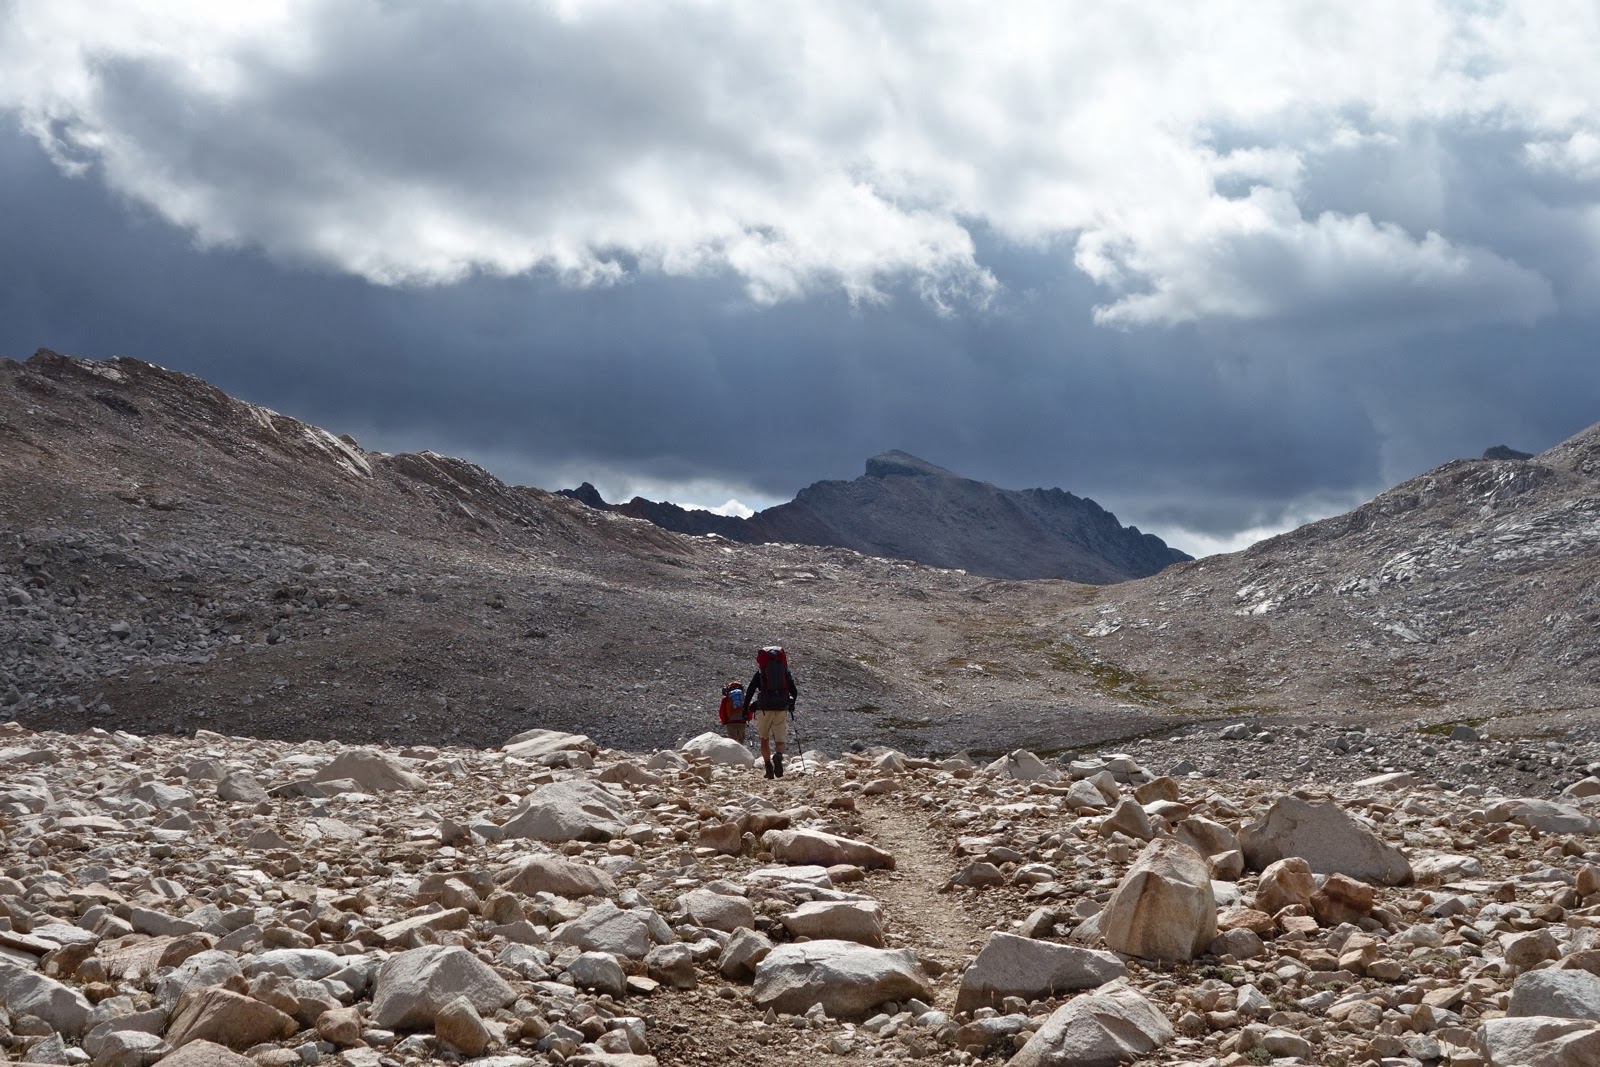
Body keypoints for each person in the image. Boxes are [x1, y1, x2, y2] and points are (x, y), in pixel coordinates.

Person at [746, 645, 798, 778]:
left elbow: (750, 690)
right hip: (780, 708)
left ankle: (768, 767)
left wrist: (746, 708)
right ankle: (778, 756)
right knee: (780, 741)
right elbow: (794, 691)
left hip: (764, 709)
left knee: (764, 739)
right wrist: (791, 704)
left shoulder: (760, 672)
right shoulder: (785, 671)